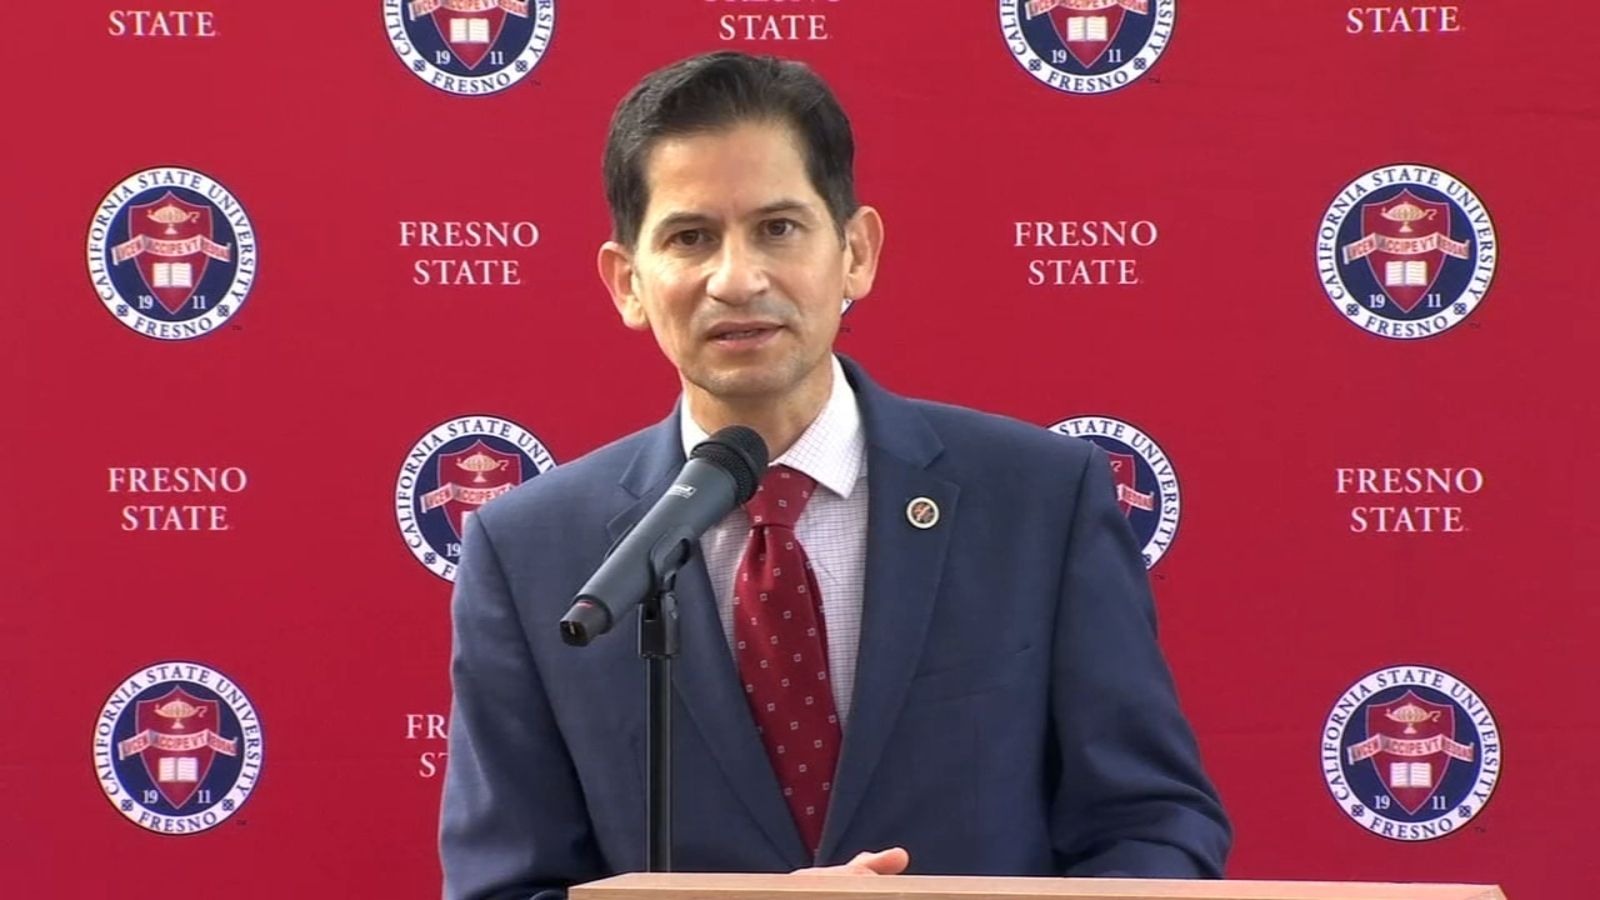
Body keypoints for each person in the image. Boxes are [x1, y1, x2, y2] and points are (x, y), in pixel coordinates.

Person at [439, 50, 1231, 900]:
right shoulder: (531, 554)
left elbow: (1151, 829)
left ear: (855, 252)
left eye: (778, 228)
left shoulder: (1040, 501)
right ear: (628, 283)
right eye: (690, 238)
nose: (737, 279)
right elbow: (503, 883)